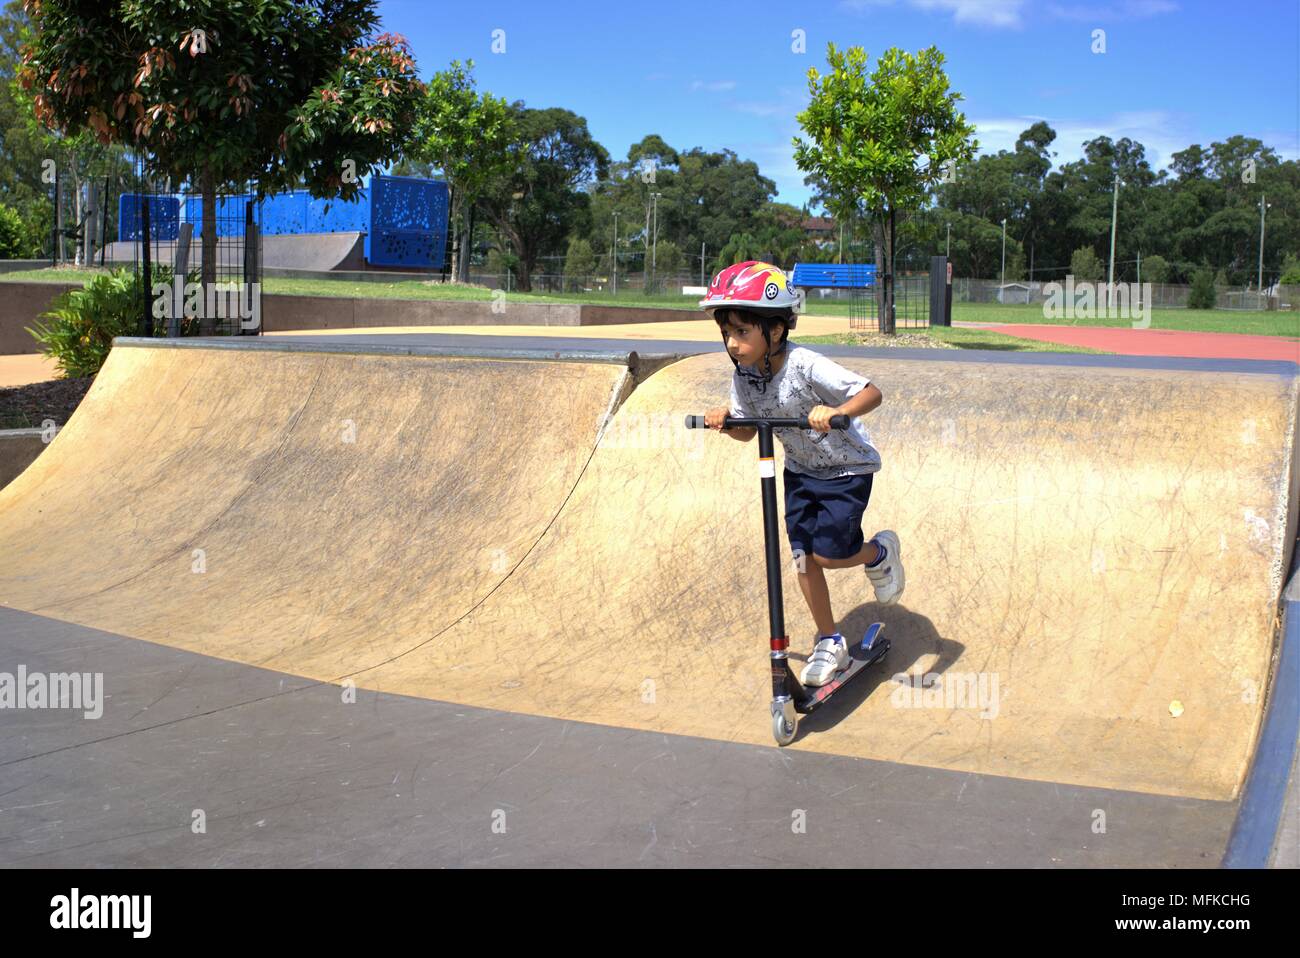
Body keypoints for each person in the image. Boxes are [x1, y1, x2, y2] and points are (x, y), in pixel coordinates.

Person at [700, 261, 905, 687]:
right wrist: (726, 421)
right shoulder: (744, 378)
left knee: (830, 554)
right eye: (727, 334)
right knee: (802, 558)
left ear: (775, 330)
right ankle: (830, 639)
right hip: (800, 472)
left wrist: (837, 411)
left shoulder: (806, 364)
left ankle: (879, 553)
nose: (733, 344)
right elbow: (746, 431)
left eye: (742, 331)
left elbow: (871, 392)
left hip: (846, 469)